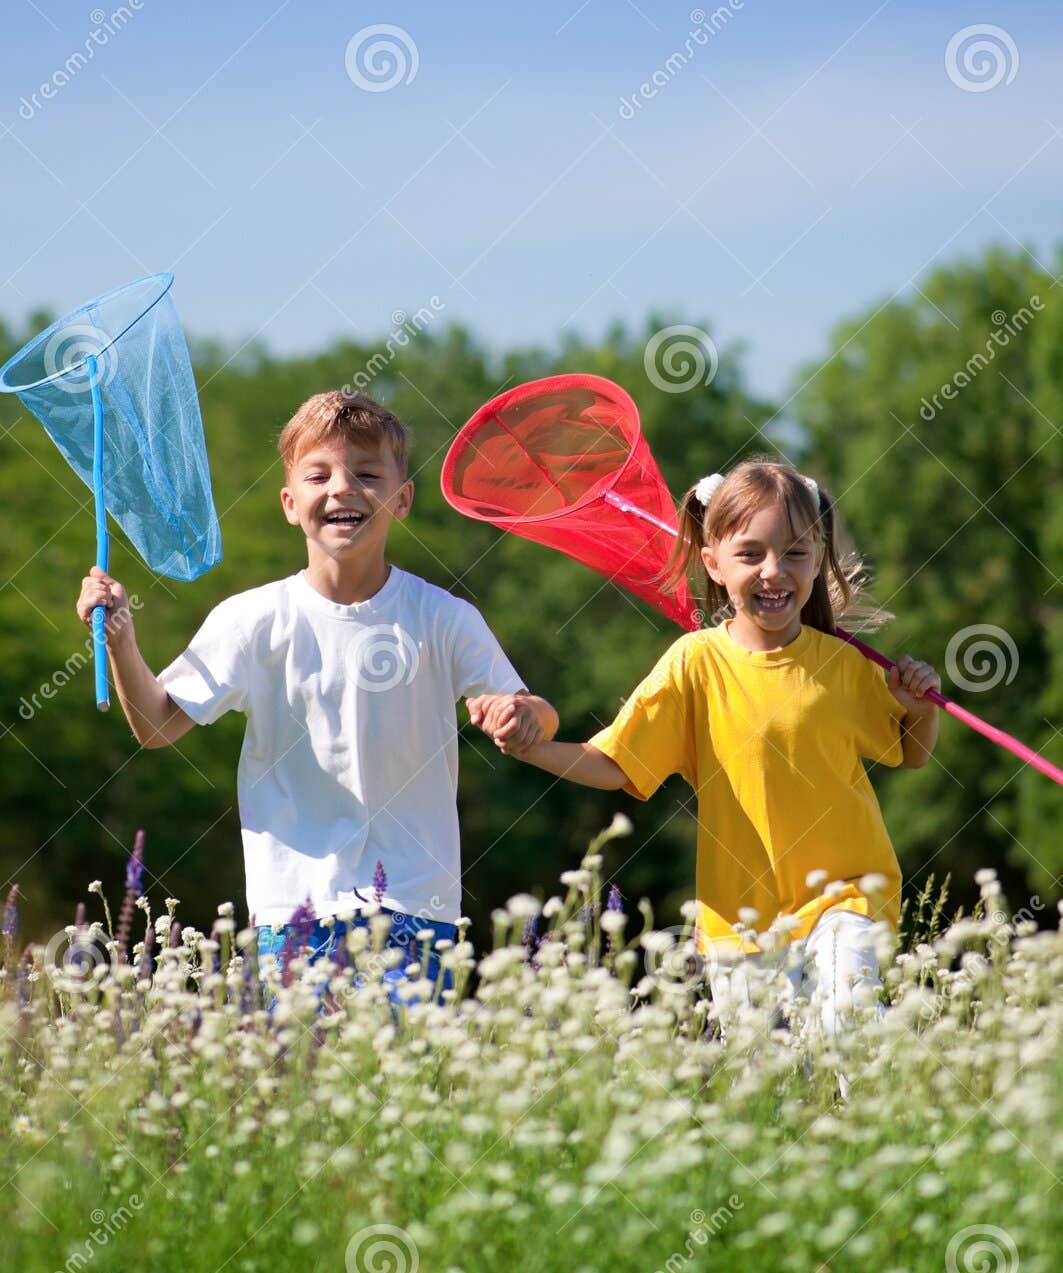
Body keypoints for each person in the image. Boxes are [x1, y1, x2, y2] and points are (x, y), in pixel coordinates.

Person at [76, 390, 557, 996]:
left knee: (399, 1087)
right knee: (301, 1086)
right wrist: (119, 637)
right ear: (289, 502)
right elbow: (155, 726)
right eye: (319, 474)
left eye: (368, 474)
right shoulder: (251, 619)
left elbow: (537, 710)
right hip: (291, 913)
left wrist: (521, 714)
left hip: (416, 907)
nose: (342, 489)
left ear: (402, 499)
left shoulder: (445, 618)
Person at [470, 458, 940, 1066]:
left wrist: (920, 707)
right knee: (767, 1086)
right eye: (751, 554)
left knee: (849, 1027)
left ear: (820, 560)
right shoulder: (693, 663)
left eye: (797, 554)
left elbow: (912, 753)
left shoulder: (847, 664)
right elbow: (616, 763)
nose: (775, 571)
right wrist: (534, 749)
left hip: (845, 899)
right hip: (736, 921)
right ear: (713, 562)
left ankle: (878, 1140)